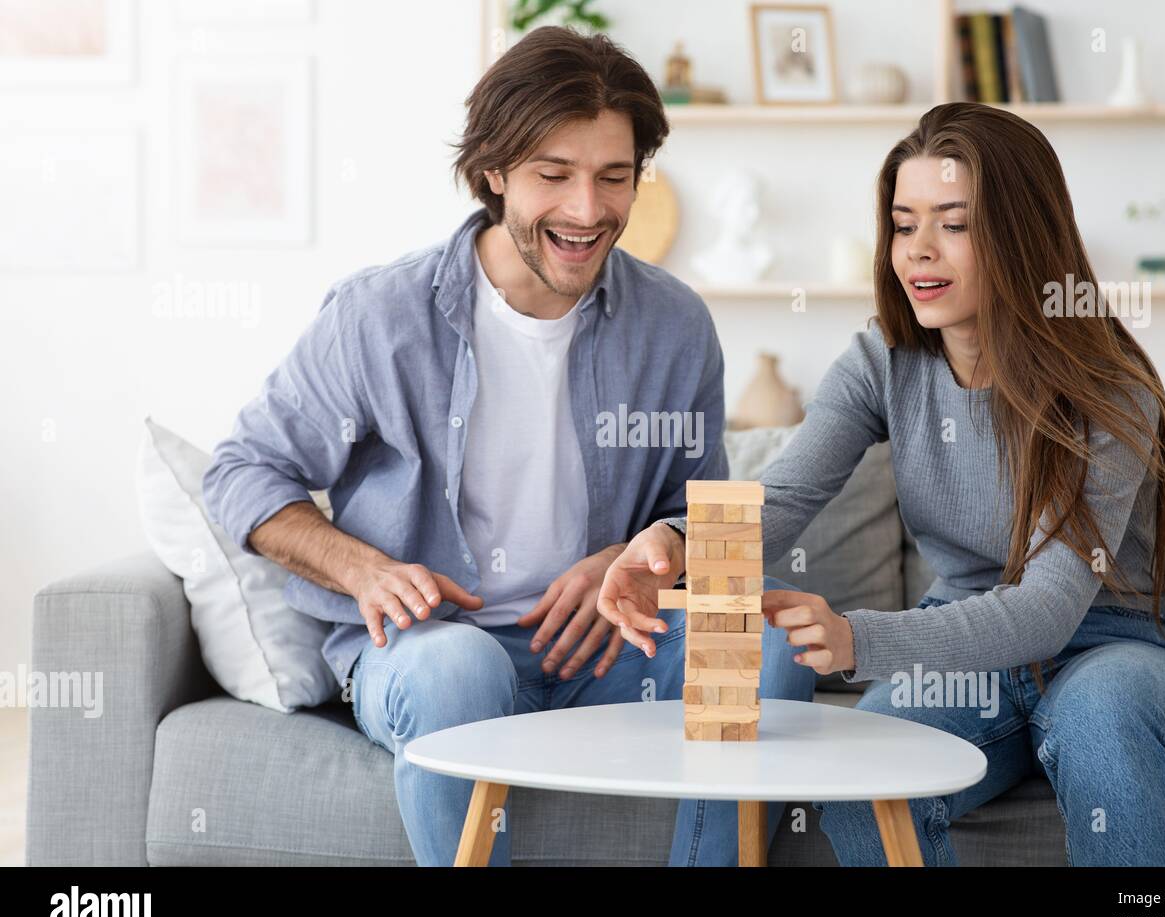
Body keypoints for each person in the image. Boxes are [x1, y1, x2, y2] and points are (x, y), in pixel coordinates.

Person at [202, 26, 815, 867]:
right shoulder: (380, 318)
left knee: (769, 642)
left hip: (608, 648)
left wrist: (646, 556)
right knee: (456, 668)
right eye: (553, 176)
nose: (587, 211)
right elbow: (242, 471)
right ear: (494, 173)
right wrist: (365, 572)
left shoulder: (675, 326)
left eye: (613, 177)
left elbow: (703, 515)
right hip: (434, 649)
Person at [599, 101, 1165, 866]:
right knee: (860, 771)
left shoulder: (1107, 390)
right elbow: (784, 497)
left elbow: (1050, 608)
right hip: (960, 660)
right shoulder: (883, 361)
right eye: (903, 223)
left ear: (1022, 234)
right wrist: (672, 545)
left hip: (1109, 650)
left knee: (1102, 716)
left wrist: (861, 638)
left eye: (954, 224)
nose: (920, 251)